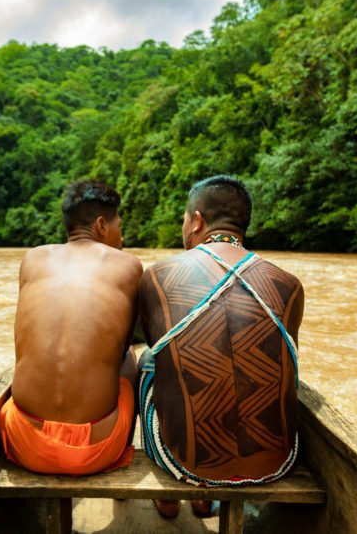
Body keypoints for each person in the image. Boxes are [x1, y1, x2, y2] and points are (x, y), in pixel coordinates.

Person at [137, 175, 304, 518]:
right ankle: (204, 502)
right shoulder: (288, 285)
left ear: (197, 221)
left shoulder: (159, 276)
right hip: (277, 466)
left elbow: (159, 348)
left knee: (148, 359)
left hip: (185, 464)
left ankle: (170, 498)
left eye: (184, 219)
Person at [0, 180, 143, 475]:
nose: (123, 236)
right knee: (128, 357)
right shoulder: (128, 265)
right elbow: (121, 346)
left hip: (25, 443)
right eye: (119, 226)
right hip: (96, 451)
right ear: (101, 225)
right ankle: (122, 456)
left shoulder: (33, 259)